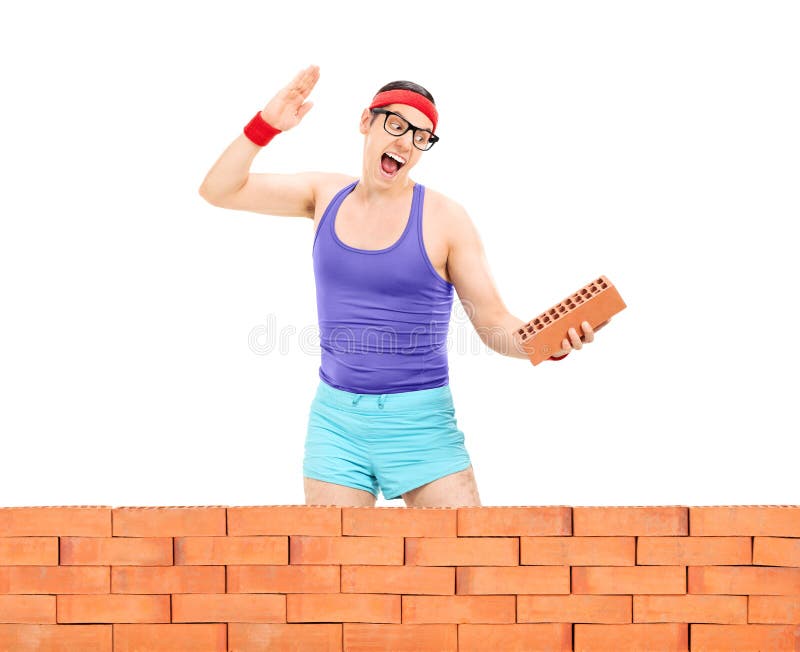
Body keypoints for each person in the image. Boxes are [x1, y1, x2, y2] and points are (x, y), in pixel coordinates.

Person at [198, 64, 605, 508]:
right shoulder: (323, 195)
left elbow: (493, 322)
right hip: (337, 427)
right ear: (365, 123)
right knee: (335, 573)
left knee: (462, 565)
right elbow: (218, 189)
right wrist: (267, 126)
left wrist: (550, 343)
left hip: (422, 427)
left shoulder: (446, 218)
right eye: (396, 125)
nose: (406, 143)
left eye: (420, 136)